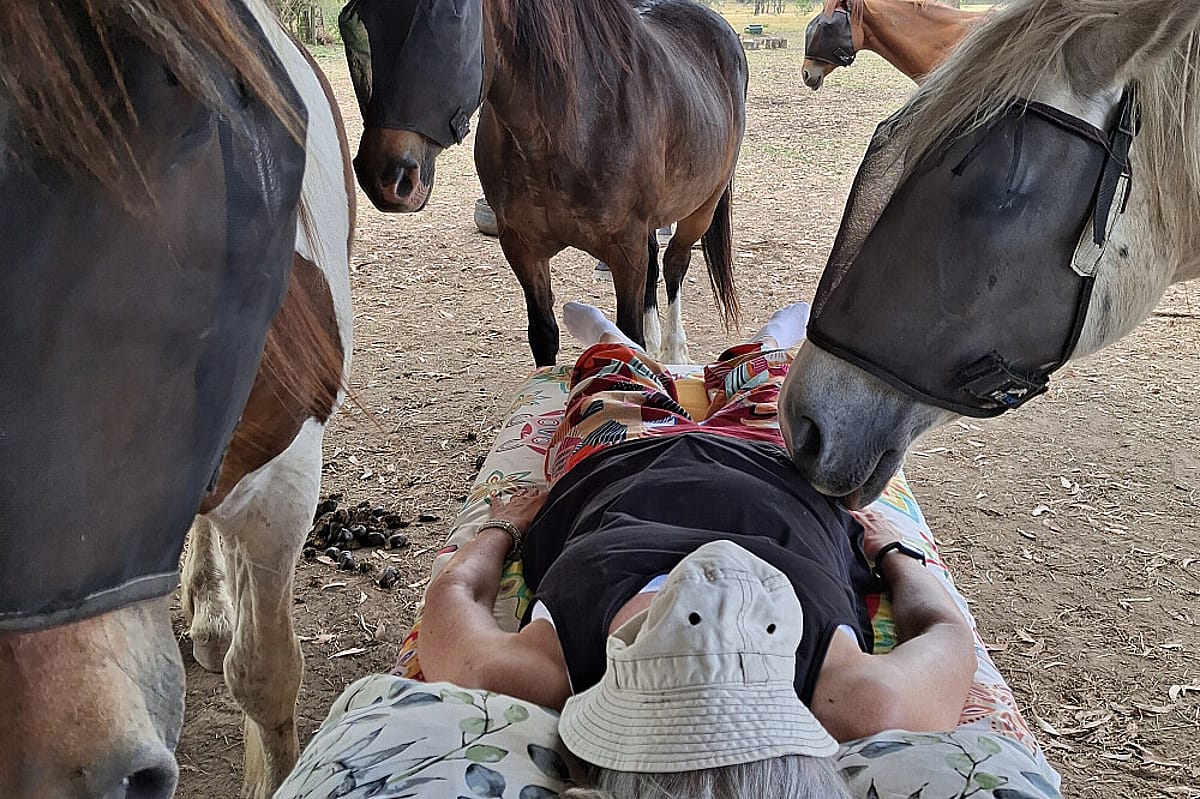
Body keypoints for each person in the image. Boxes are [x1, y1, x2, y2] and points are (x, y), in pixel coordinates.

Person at [418, 302, 976, 797]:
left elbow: (455, 591)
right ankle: (768, 346)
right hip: (776, 473)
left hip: (620, 463)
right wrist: (895, 550)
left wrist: (502, 528)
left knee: (608, 383)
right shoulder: (863, 702)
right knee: (773, 390)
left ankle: (614, 343)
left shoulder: (541, 672)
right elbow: (946, 629)